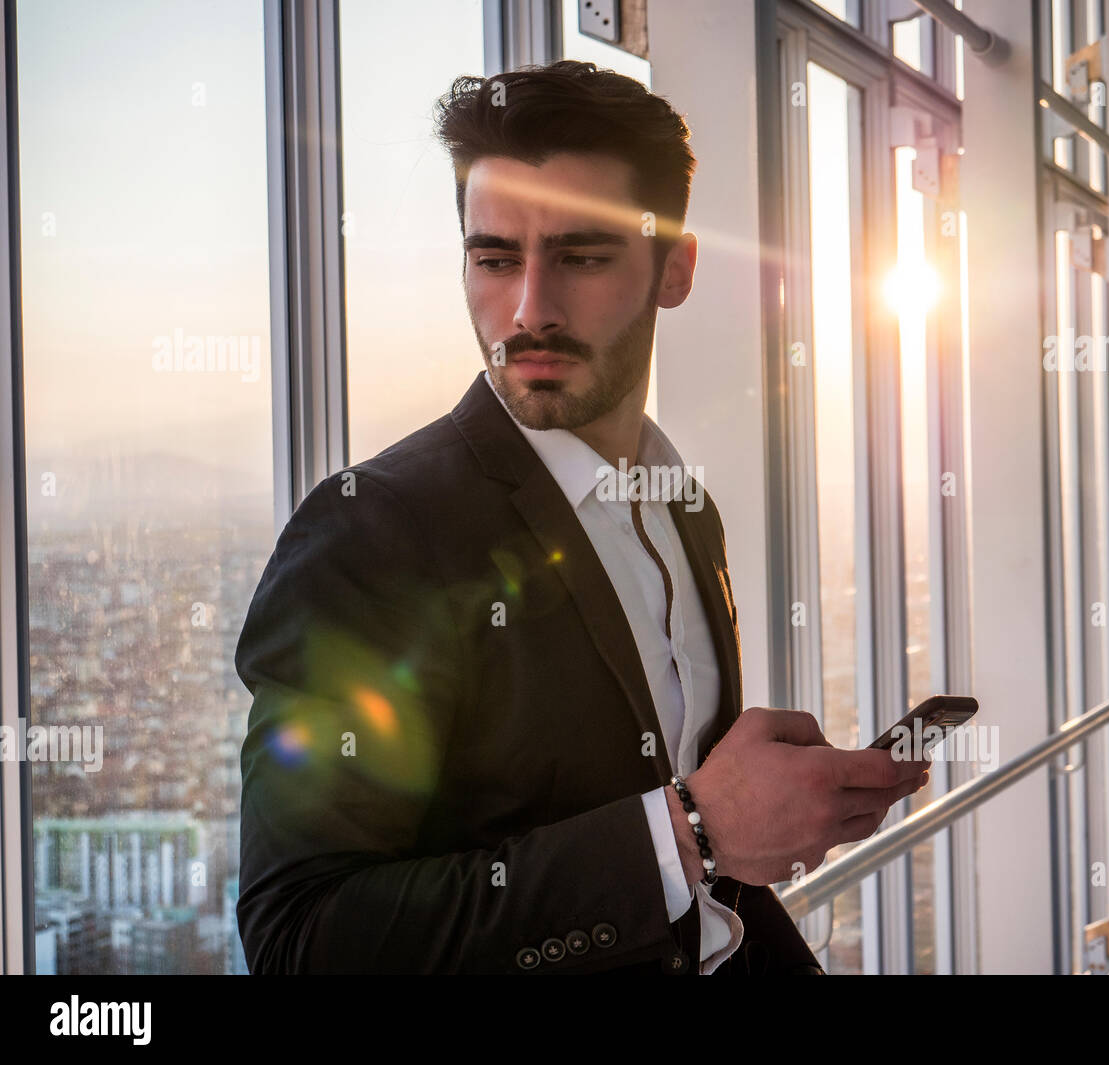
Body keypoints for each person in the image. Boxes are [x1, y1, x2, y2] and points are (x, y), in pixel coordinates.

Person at [234, 59, 928, 975]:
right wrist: (695, 828)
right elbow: (302, 938)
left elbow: (705, 882)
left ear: (673, 269)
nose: (528, 310)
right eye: (493, 258)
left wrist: (754, 818)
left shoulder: (685, 509)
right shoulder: (373, 534)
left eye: (581, 256)